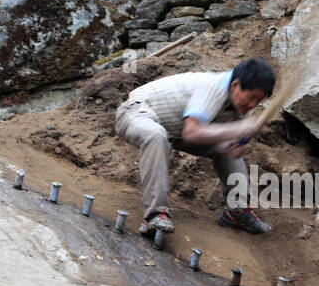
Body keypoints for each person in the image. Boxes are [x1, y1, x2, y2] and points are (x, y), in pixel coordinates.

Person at [115, 58, 276, 235]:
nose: (253, 105)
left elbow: (222, 140)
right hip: (136, 113)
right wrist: (238, 128)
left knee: (227, 150)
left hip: (172, 131)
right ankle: (156, 214)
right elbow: (191, 133)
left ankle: (238, 212)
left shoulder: (234, 104)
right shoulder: (212, 87)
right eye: (251, 98)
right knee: (155, 135)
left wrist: (235, 145)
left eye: (257, 101)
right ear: (235, 85)